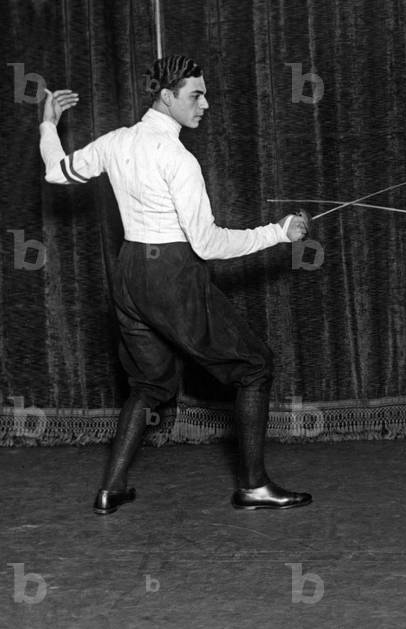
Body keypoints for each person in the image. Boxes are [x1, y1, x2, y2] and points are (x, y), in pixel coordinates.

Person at [38, 55, 313, 514]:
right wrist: (278, 233)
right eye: (196, 95)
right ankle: (253, 486)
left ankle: (111, 489)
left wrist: (49, 124)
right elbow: (207, 244)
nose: (205, 104)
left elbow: (56, 171)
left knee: (149, 384)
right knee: (256, 366)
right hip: (170, 273)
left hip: (129, 271)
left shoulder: (115, 141)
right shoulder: (179, 159)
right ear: (167, 97)